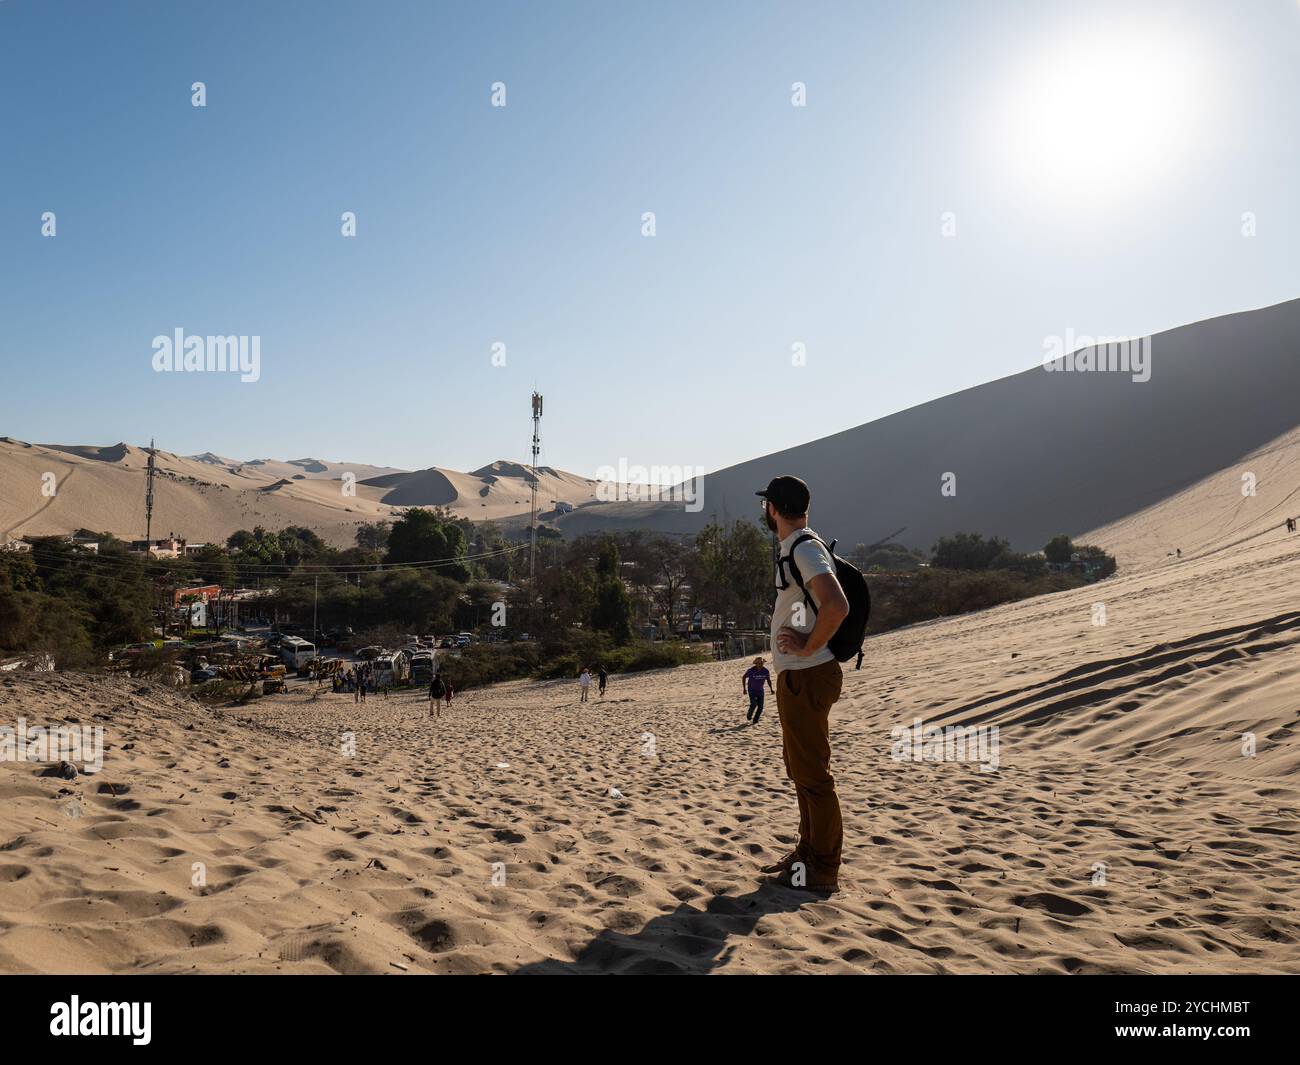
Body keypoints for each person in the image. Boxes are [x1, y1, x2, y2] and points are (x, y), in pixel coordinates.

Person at [756, 475, 849, 894]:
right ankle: (806, 856)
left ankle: (823, 868)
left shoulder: (804, 548)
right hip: (799, 677)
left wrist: (809, 645)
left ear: (772, 509)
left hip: (810, 675)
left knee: (814, 776)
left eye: (766, 506)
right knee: (801, 770)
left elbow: (837, 604)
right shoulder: (796, 548)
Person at [741, 656, 775, 725]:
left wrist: (771, 689)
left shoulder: (765, 671)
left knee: (761, 707)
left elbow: (768, 680)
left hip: (760, 691)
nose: (760, 665)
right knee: (753, 704)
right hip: (752, 690)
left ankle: (755, 720)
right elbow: (744, 677)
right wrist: (744, 689)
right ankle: (749, 715)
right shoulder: (751, 670)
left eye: (762, 663)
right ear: (756, 664)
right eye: (759, 663)